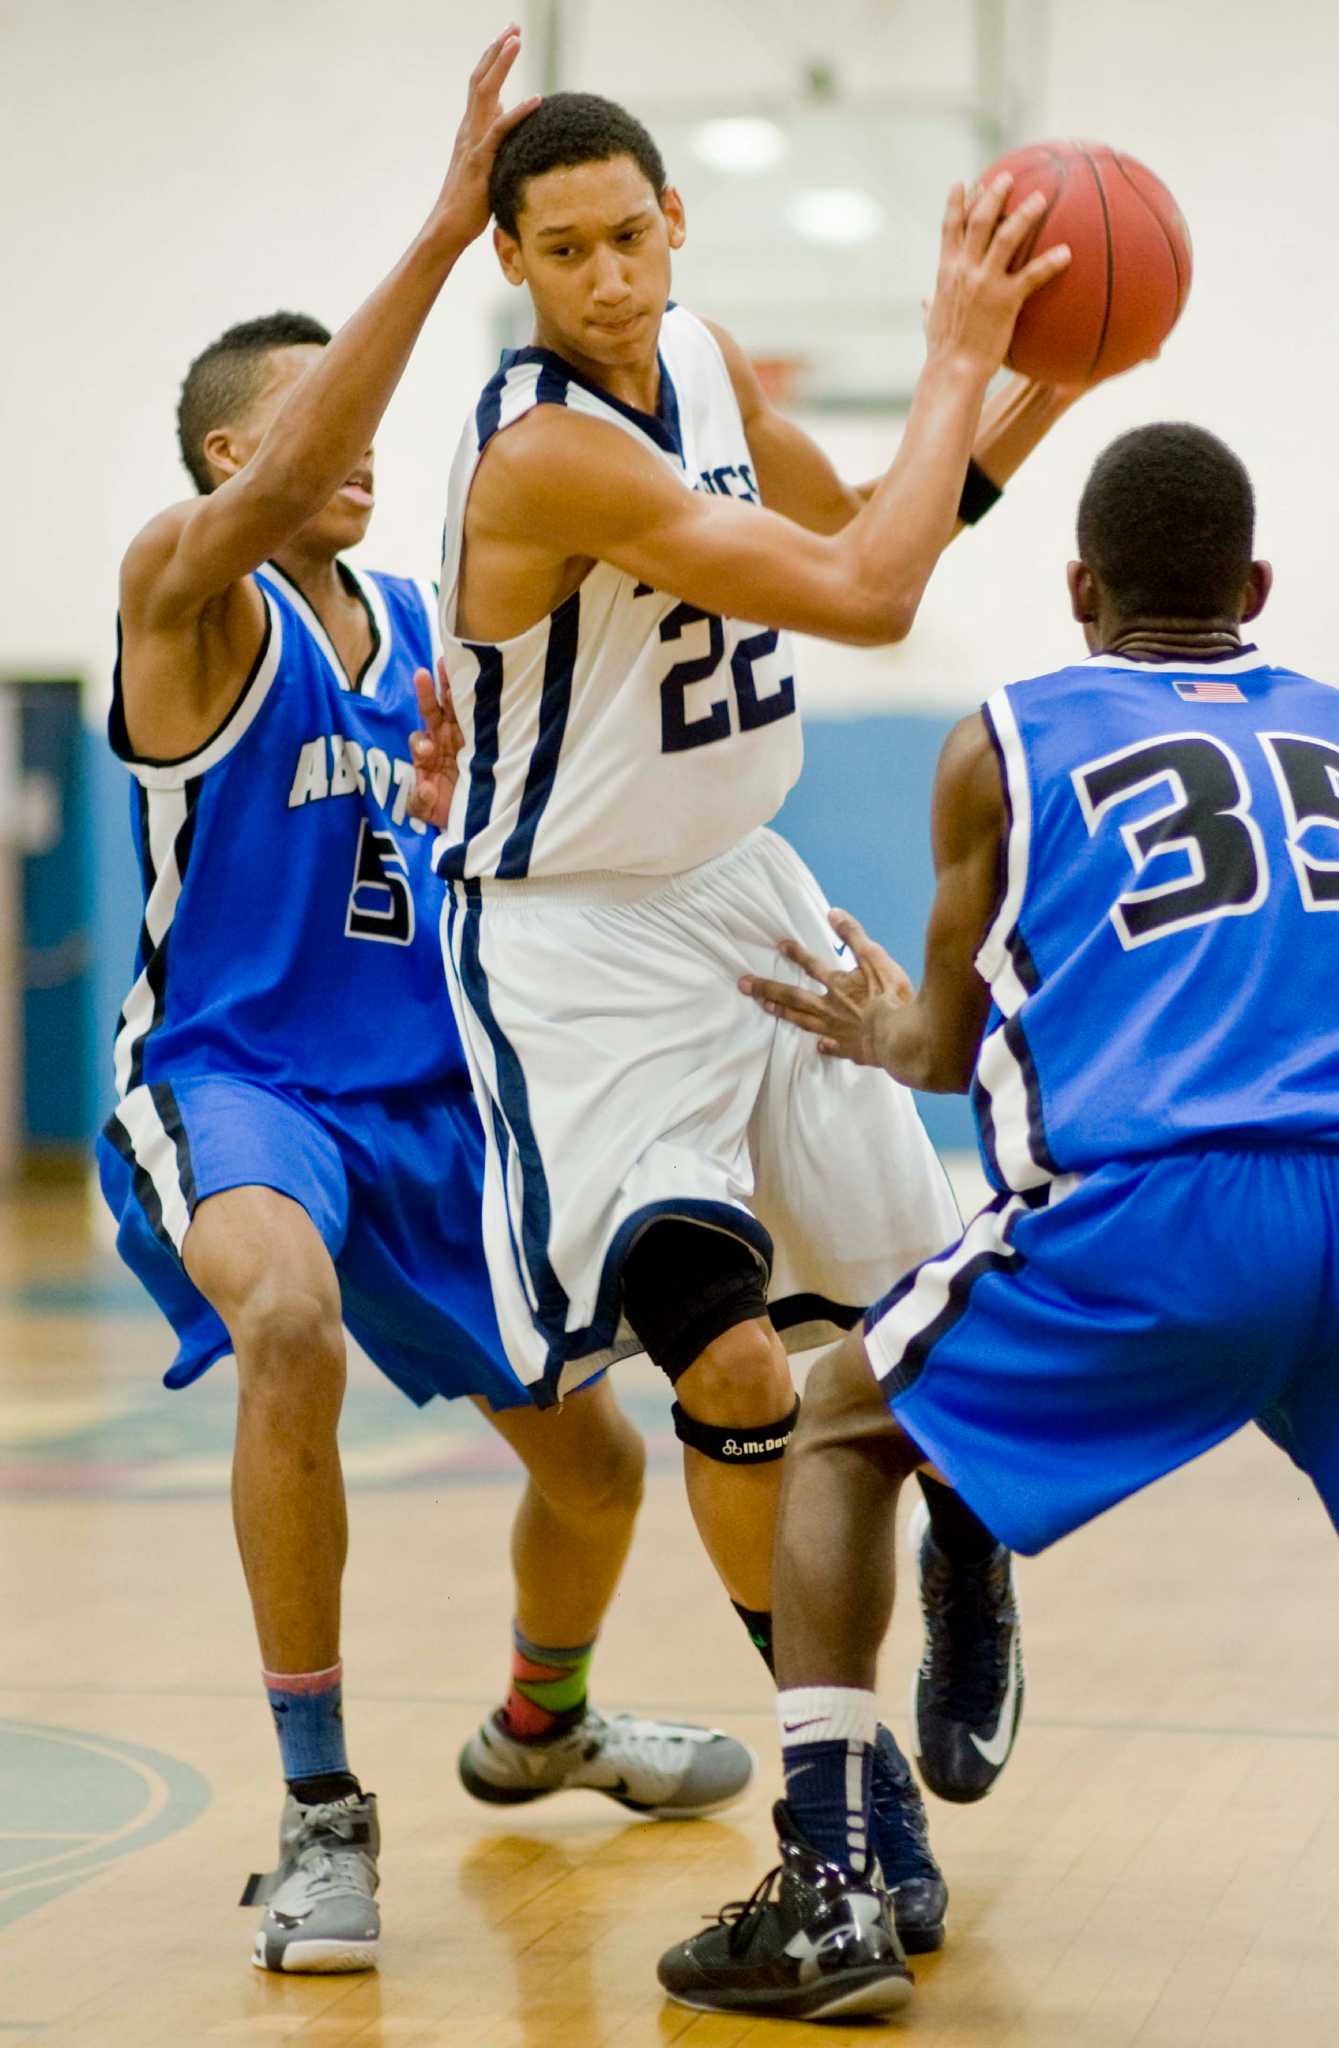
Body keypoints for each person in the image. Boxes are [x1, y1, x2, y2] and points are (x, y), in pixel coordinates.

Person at [96, 31, 751, 1981]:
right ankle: (318, 1808)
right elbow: (311, 447)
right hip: (242, 1089)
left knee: (604, 1460)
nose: (364, 437)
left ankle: (542, 1720)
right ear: (236, 455)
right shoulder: (187, 596)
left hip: (433, 1106)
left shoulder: (431, 652)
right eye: (315, 418)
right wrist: (448, 225)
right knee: (282, 1320)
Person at [422, 89, 1094, 1949]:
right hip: (579, 950)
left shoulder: (704, 362)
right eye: (565, 251)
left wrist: (1059, 377)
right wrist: (959, 344)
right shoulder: (538, 455)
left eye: (630, 236)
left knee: (912, 1341)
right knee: (728, 1369)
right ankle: (848, 1788)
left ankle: (963, 1550)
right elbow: (871, 602)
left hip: (752, 893)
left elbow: (895, 519)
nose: (609, 279)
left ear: (675, 223)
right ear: (511, 266)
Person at [656, 420, 1339, 2021]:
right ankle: (972, 1548)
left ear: (1079, 585)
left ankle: (827, 1885)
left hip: (1162, 1207)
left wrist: (879, 1023)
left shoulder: (1006, 739)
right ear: (1256, 583)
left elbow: (954, 1053)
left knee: (835, 1428)